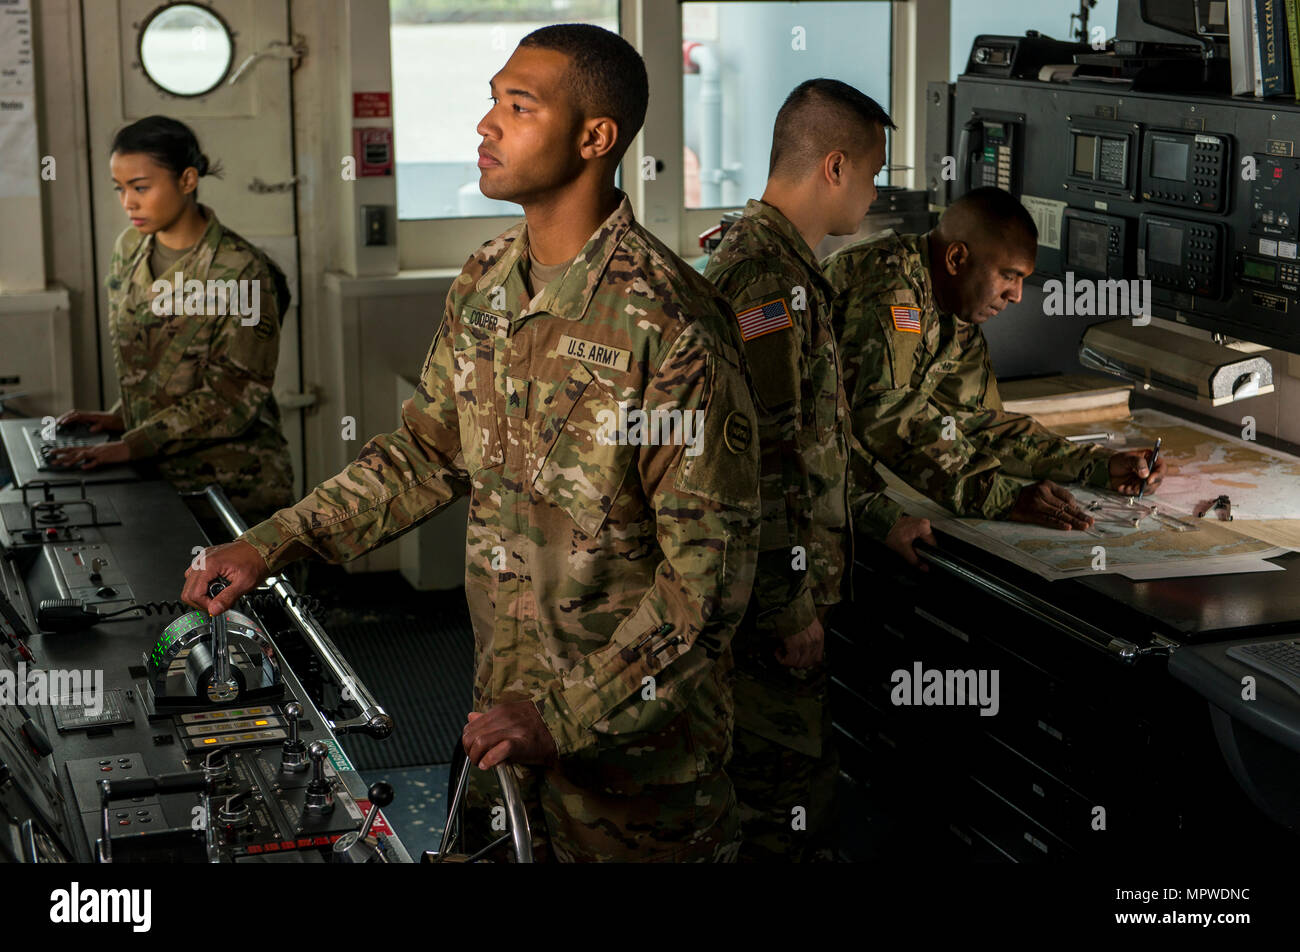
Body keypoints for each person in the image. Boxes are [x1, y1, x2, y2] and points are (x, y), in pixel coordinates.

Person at [178, 25, 761, 862]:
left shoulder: (670, 328)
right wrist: (273, 542)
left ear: (596, 138)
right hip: (501, 723)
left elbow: (707, 587)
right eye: (491, 100)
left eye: (517, 107)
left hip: (634, 770)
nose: (485, 125)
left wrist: (562, 717)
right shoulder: (487, 279)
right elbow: (428, 452)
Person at [703, 79, 933, 861]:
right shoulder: (771, 283)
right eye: (871, 174)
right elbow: (762, 460)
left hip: (772, 590)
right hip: (767, 612)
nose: (874, 194)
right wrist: (788, 607)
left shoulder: (770, 261)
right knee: (787, 813)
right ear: (834, 167)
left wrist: (878, 517)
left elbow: (814, 443)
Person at [826, 187, 1167, 529]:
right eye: (1008, 275)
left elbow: (979, 424)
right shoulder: (889, 284)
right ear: (956, 258)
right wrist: (1001, 497)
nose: (1016, 295)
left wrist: (1095, 465)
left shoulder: (954, 312)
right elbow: (885, 412)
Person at [51, 116, 294, 528]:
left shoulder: (242, 270)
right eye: (121, 188)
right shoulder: (129, 249)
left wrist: (132, 443)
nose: (128, 202)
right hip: (152, 477)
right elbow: (156, 363)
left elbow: (234, 393)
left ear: (187, 180)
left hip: (231, 487)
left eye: (141, 187)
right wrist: (120, 417)